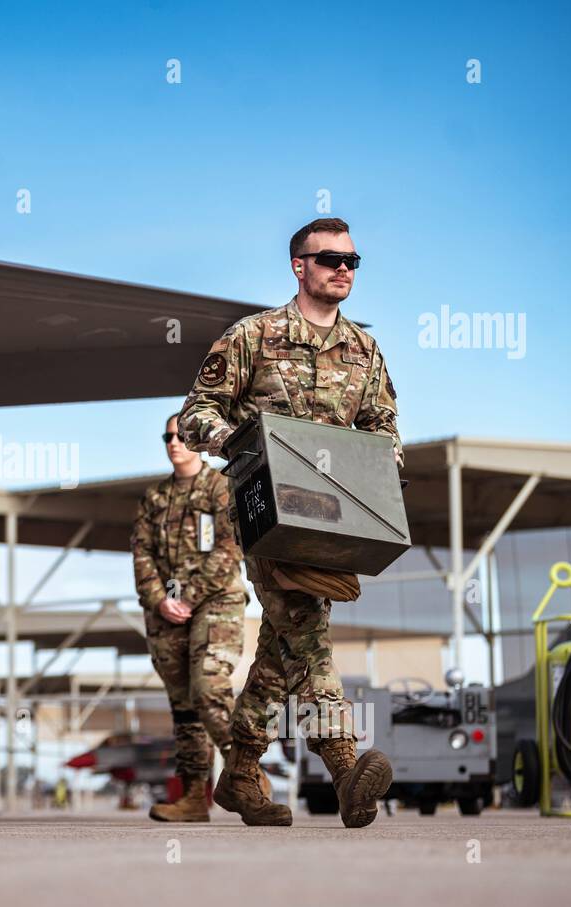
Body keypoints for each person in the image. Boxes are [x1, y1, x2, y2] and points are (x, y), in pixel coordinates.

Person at [178, 217, 399, 828]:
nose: (343, 269)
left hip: (333, 520)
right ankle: (345, 765)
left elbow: (383, 430)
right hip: (264, 512)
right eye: (330, 259)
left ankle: (242, 775)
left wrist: (379, 481)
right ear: (299, 266)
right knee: (304, 631)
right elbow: (195, 413)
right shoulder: (254, 335)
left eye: (353, 260)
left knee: (279, 650)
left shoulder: (365, 349)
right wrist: (243, 445)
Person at [131, 413, 250, 821]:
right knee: (183, 707)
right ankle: (194, 797)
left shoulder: (222, 488)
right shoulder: (155, 498)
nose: (173, 442)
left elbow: (229, 548)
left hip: (216, 603)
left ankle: (247, 774)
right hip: (166, 612)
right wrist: (162, 600)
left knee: (208, 687)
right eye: (166, 436)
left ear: (196, 440)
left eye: (181, 435)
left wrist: (189, 597)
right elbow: (142, 555)